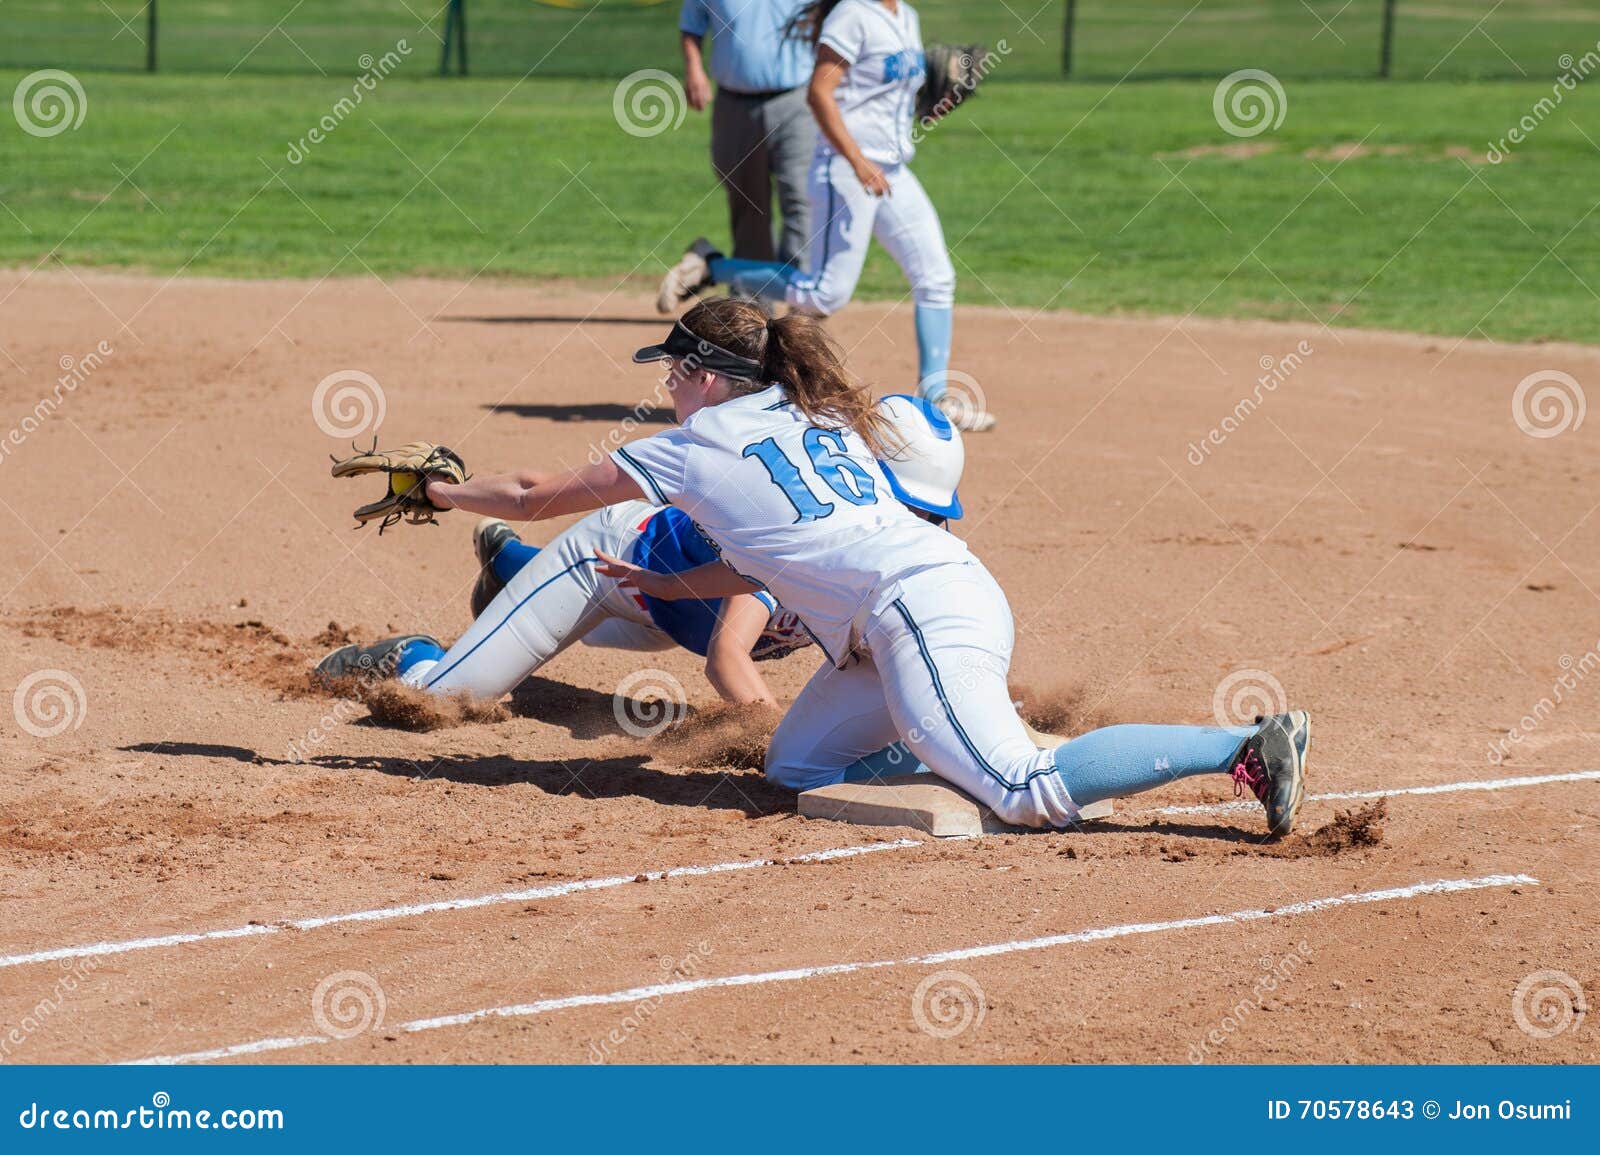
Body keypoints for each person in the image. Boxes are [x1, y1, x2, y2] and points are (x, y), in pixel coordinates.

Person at [421, 299, 1310, 835]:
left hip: (912, 610)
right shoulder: (819, 414)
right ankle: (954, 737)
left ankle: (1242, 747)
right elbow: (785, 553)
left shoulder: (692, 447)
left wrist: (444, 492)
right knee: (796, 768)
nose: (667, 387)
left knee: (1025, 791)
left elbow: (532, 494)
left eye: (674, 372)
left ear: (705, 376)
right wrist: (671, 584)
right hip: (904, 615)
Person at [314, 395, 957, 711]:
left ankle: (506, 563)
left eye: (932, 517)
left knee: (573, 613)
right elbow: (728, 656)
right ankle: (409, 655)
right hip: (613, 564)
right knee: (449, 699)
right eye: (915, 510)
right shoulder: (800, 535)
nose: (923, 527)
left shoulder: (910, 555)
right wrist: (766, 730)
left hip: (665, 613)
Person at [658, 0, 994, 434]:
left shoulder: (905, 16)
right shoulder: (852, 15)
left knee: (935, 277)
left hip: (891, 169)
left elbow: (888, 95)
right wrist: (856, 160)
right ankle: (712, 266)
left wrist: (931, 101)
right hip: (846, 170)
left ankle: (936, 399)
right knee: (823, 294)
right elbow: (819, 92)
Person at [680, 0, 818, 268]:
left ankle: (800, 286)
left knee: (802, 195)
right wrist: (694, 68)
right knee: (747, 202)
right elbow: (692, 22)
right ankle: (753, 291)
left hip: (797, 100)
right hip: (734, 103)